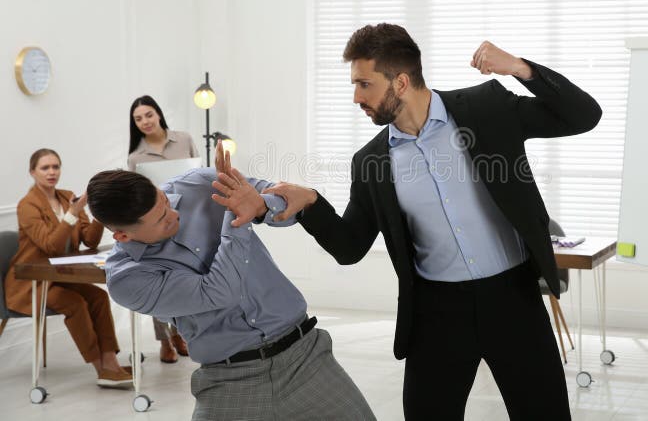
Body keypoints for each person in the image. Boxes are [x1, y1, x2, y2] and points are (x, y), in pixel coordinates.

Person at [227, 24, 602, 419]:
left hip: (514, 300)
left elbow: (584, 115)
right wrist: (308, 204)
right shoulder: (372, 161)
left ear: (401, 82)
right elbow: (349, 246)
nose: (356, 97)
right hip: (437, 314)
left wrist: (519, 68)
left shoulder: (487, 108)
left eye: (364, 85)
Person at [86, 143, 375, 421]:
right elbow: (218, 292)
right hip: (230, 380)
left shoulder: (199, 184)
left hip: (306, 358)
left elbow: (289, 205)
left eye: (165, 202)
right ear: (122, 235)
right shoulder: (127, 279)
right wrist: (238, 216)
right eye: (161, 219)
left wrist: (260, 204)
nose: (174, 214)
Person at [4, 149, 132, 388]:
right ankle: (100, 368)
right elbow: (50, 246)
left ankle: (110, 361)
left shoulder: (66, 197)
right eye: (45, 168)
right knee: (74, 303)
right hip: (31, 282)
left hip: (59, 276)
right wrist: (73, 213)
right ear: (33, 172)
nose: (52, 172)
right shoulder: (27, 206)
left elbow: (90, 241)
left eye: (55, 166)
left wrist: (97, 212)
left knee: (99, 296)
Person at [127, 94, 198, 363]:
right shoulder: (136, 157)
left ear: (158, 114)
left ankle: (181, 333)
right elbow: (137, 196)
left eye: (148, 115)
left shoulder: (185, 140)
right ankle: (165, 340)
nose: (145, 121)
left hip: (189, 217)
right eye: (138, 118)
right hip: (156, 224)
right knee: (159, 280)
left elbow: (199, 174)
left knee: (185, 278)